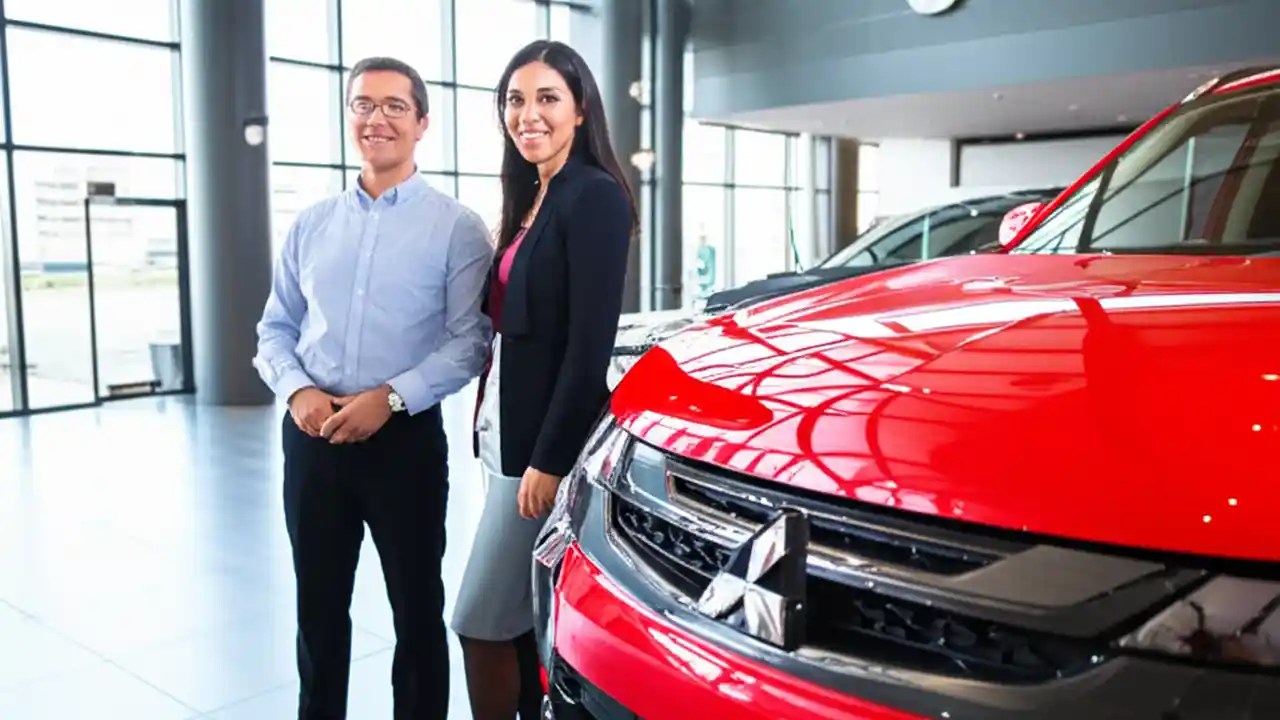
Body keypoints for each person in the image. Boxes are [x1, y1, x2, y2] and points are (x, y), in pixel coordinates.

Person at [252, 56, 493, 720]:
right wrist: (298, 390)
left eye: (393, 106)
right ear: (348, 117)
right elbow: (276, 327)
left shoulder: (457, 226)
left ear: (421, 123)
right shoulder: (311, 223)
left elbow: (469, 342)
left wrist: (387, 398)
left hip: (403, 443)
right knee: (318, 615)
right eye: (362, 104)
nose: (375, 118)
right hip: (313, 441)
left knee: (417, 613)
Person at [449, 40, 637, 720]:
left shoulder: (593, 198)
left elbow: (589, 349)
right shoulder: (534, 195)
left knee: (478, 622)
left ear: (581, 109)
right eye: (515, 100)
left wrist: (550, 459)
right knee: (524, 618)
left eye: (547, 98)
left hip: (536, 451)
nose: (528, 114)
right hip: (502, 440)